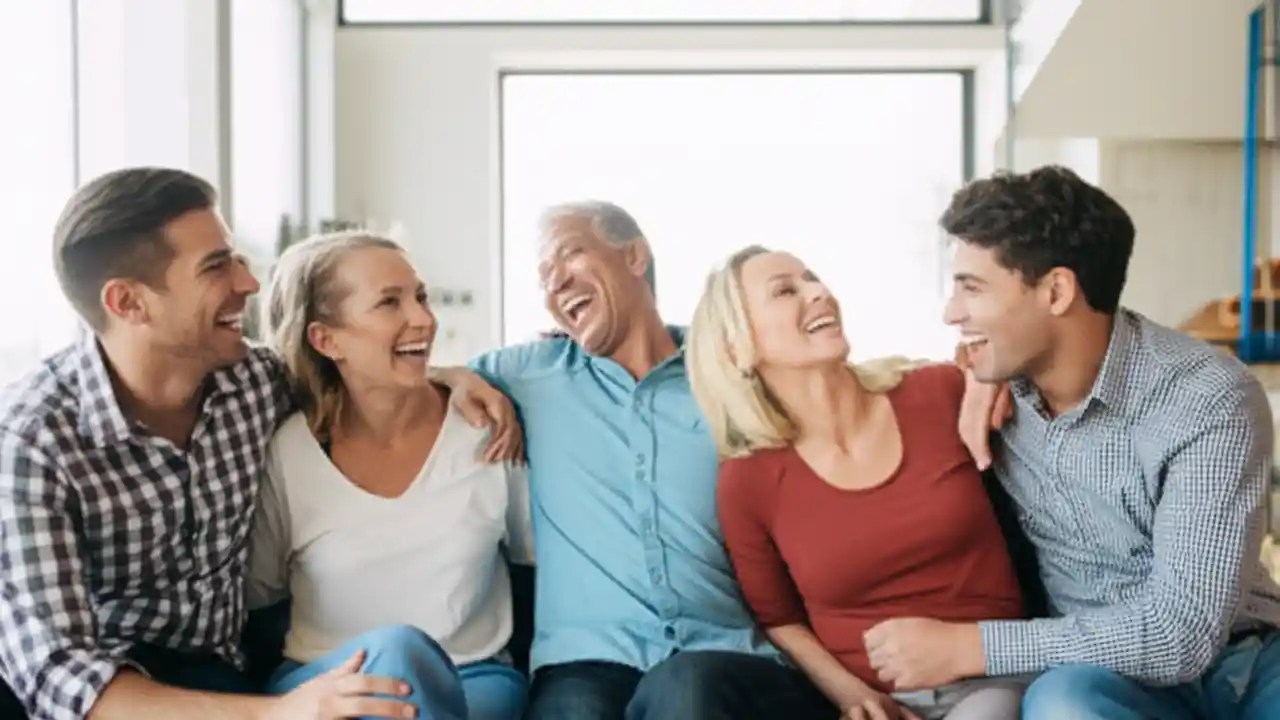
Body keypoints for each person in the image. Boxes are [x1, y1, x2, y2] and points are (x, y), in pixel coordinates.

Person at [0, 167, 521, 720]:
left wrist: (450, 378)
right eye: (215, 267)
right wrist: (277, 714)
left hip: (225, 673)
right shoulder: (32, 442)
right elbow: (59, 676)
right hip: (125, 699)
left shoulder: (252, 383)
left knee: (392, 670)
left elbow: (359, 373)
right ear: (128, 302)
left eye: (237, 260)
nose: (248, 283)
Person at [865, 165, 1280, 719]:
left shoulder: (1205, 398)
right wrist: (976, 372)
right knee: (1062, 705)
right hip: (1102, 682)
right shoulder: (996, 387)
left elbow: (1181, 633)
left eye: (972, 287)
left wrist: (967, 647)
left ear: (1056, 291)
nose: (951, 312)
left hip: (1245, 663)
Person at [452, 201, 837, 719]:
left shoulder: (727, 371)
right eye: (544, 277)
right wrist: (454, 377)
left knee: (690, 690)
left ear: (634, 256)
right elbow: (409, 381)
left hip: (726, 653)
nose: (556, 283)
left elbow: (831, 396)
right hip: (586, 662)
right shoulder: (527, 375)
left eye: (569, 254)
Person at [685, 245, 1029, 720]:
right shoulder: (747, 480)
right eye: (785, 291)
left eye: (812, 278)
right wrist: (853, 696)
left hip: (990, 681)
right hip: (873, 703)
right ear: (736, 347)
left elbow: (1023, 367)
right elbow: (779, 619)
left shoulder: (939, 393)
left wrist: (997, 373)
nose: (818, 292)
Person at [247, 231, 535, 720]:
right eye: (389, 302)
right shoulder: (289, 453)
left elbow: (533, 561)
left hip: (472, 679)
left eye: (421, 297)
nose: (423, 319)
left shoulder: (486, 427)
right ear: (326, 340)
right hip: (327, 683)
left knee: (406, 665)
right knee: (398, 651)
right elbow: (261, 595)